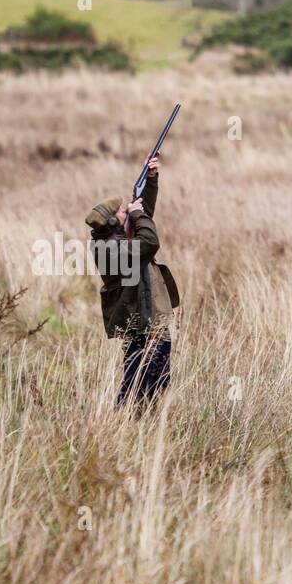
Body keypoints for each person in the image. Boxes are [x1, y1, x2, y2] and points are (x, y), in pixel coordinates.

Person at [85, 156, 180, 409]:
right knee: (137, 379)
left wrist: (150, 180)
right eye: (124, 211)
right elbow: (149, 240)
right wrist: (137, 215)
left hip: (148, 316)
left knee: (157, 377)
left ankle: (147, 420)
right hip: (139, 320)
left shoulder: (115, 239)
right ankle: (126, 420)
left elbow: (143, 218)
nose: (129, 210)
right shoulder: (111, 249)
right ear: (116, 222)